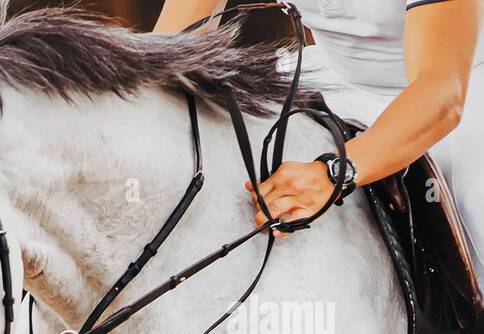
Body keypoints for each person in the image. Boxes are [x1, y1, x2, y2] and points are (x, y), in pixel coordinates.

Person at [155, 0, 483, 266]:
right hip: (332, 79)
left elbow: (442, 92)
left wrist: (335, 172)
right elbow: (172, 53)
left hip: (455, 88)